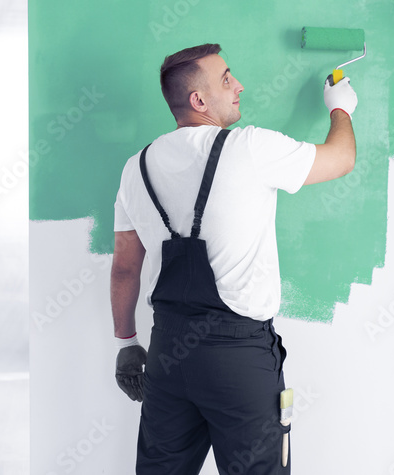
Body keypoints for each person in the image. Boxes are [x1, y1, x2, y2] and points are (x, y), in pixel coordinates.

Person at [111, 43, 358, 473]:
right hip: (237, 358)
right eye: (227, 78)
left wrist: (127, 345)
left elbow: (125, 267)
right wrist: (342, 109)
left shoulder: (137, 167)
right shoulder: (250, 148)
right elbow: (341, 159)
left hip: (168, 354)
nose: (239, 85)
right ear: (199, 100)